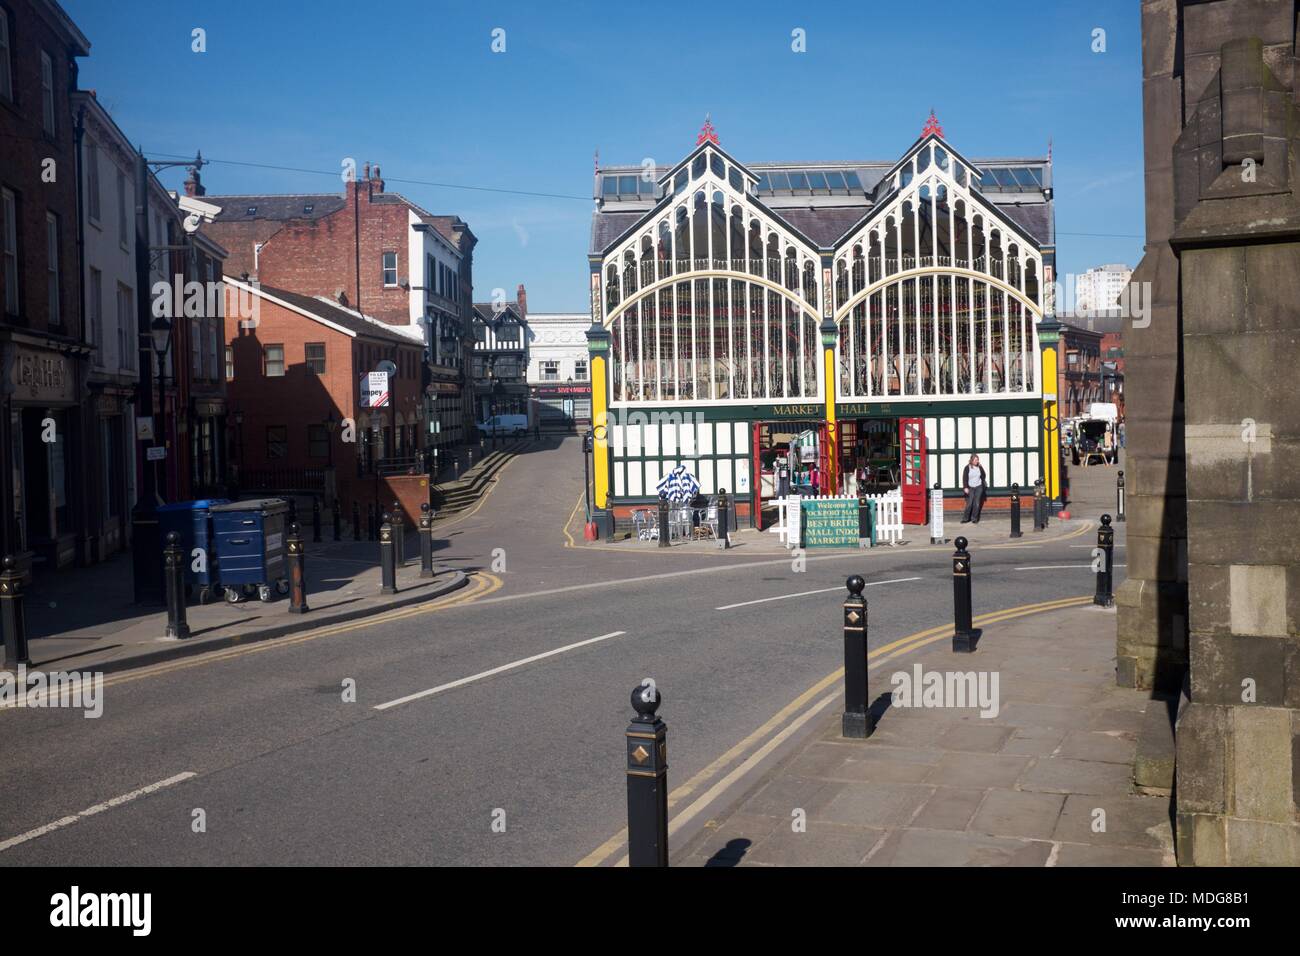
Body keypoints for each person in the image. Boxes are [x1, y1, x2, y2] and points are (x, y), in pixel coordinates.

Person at [961, 453, 987, 524]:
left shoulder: (979, 467)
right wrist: (965, 487)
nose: (977, 461)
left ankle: (974, 518)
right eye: (975, 460)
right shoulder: (967, 467)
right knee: (969, 503)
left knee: (977, 503)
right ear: (972, 460)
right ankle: (965, 518)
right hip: (970, 487)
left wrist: (981, 467)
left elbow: (984, 476)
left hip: (979, 487)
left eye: (977, 460)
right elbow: (965, 477)